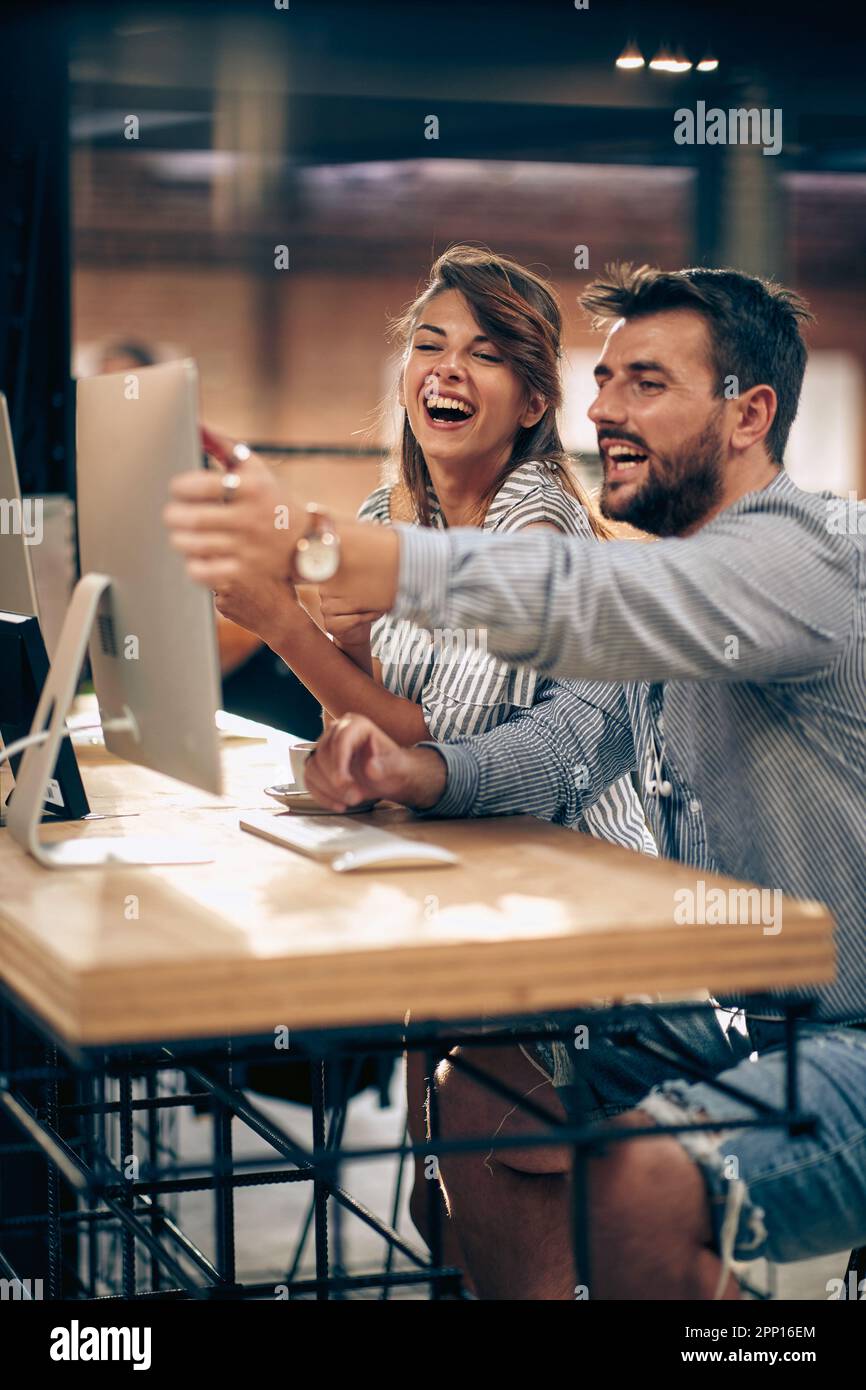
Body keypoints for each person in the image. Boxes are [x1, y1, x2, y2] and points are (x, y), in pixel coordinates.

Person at [165, 261, 866, 1299]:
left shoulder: (803, 562)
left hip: (843, 1028)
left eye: (645, 384)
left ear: (746, 415)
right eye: (605, 378)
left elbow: (570, 596)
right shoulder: (675, 576)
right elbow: (573, 736)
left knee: (640, 1179)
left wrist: (312, 553)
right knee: (482, 1080)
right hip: (725, 1008)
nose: (601, 408)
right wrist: (419, 767)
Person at [186, 245, 657, 1215]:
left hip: (562, 904)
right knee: (433, 1200)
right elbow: (369, 729)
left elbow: (434, 742)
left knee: (498, 1196)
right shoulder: (384, 514)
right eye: (428, 343)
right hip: (460, 886)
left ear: (532, 403)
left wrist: (282, 622)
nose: (443, 368)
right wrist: (333, 651)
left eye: (482, 355)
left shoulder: (538, 530)